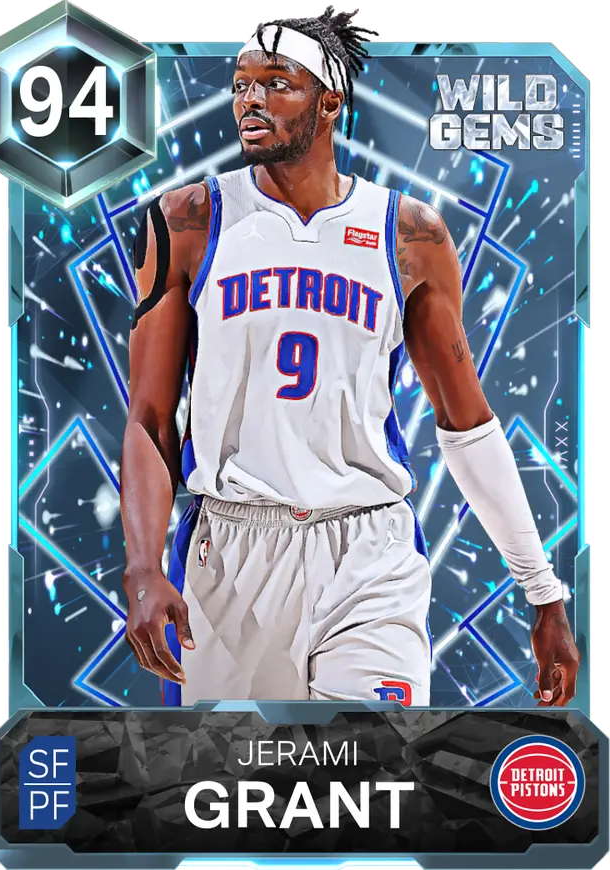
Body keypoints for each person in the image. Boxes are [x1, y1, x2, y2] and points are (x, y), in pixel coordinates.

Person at [120, 10, 580, 707]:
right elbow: (150, 419)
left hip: (370, 551)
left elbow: (467, 425)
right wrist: (142, 566)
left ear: (330, 102)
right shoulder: (188, 219)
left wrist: (542, 592)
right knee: (243, 778)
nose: (250, 100)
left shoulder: (411, 234)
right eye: (241, 84)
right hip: (233, 550)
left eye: (278, 83)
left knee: (378, 763)